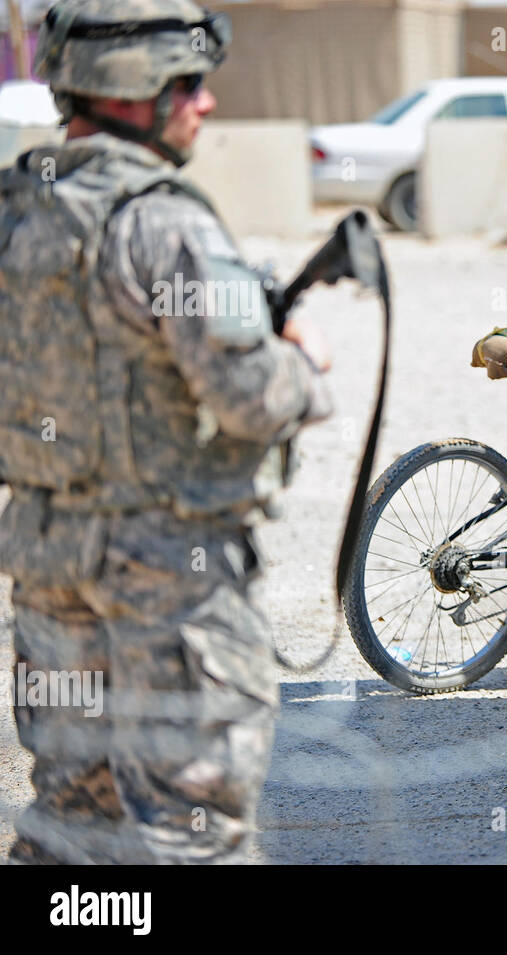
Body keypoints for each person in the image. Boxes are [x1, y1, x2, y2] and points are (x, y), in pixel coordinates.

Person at [0, 0, 332, 863]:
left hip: (45, 567)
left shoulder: (17, 214)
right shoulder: (164, 221)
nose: (206, 105)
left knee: (72, 821)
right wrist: (301, 362)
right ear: (134, 91)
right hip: (168, 576)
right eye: (187, 85)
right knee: (193, 834)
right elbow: (254, 395)